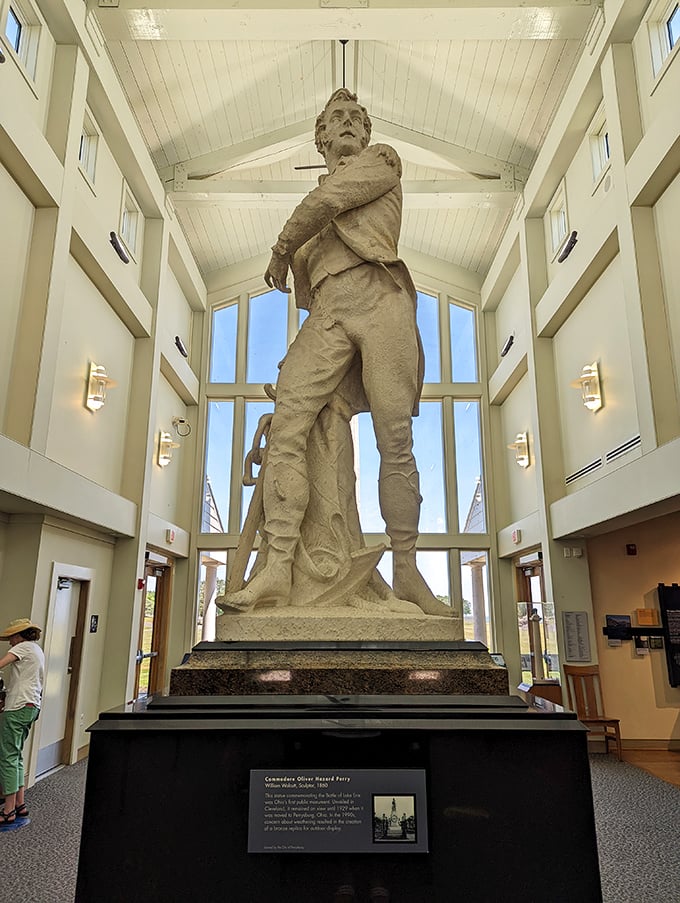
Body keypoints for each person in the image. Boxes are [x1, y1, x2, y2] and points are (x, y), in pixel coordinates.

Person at [223, 88, 450, 618]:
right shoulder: (320, 209)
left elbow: (326, 203)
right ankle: (278, 565)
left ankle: (407, 572)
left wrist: (281, 250)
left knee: (395, 438)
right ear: (321, 136)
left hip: (380, 297)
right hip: (328, 311)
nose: (347, 124)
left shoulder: (380, 162)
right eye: (336, 119)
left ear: (366, 133)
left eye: (355, 118)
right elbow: (315, 263)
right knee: (286, 427)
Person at [0, 618, 44, 825]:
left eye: (11, 637)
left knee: (7, 757)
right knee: (16, 755)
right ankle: (19, 804)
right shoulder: (36, 649)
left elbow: (1, 664)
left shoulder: (23, 648)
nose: (10, 642)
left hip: (17, 707)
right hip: (31, 707)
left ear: (19, 635)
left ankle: (8, 811)